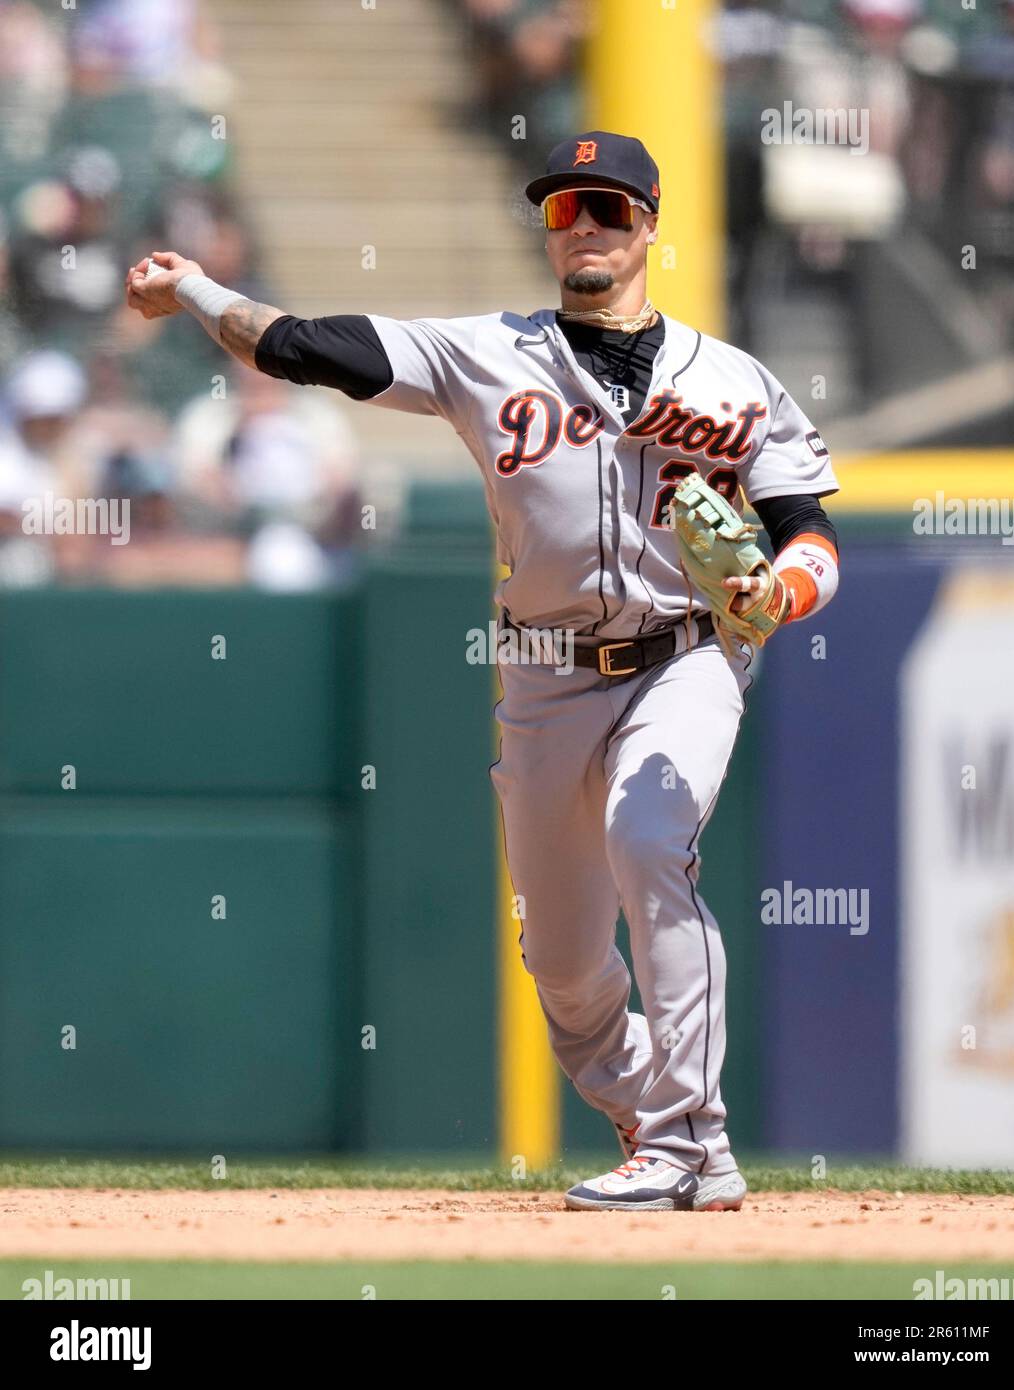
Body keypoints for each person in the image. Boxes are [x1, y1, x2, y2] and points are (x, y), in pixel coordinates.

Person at [125, 130, 840, 1213]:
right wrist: (193, 289)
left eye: (604, 207)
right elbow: (303, 347)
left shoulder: (734, 381)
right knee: (564, 970)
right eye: (563, 211)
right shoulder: (484, 352)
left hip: (684, 655)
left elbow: (810, 534)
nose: (584, 227)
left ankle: (691, 1141)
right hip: (545, 675)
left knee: (651, 841)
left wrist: (780, 592)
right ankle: (659, 1112)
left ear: (648, 221)